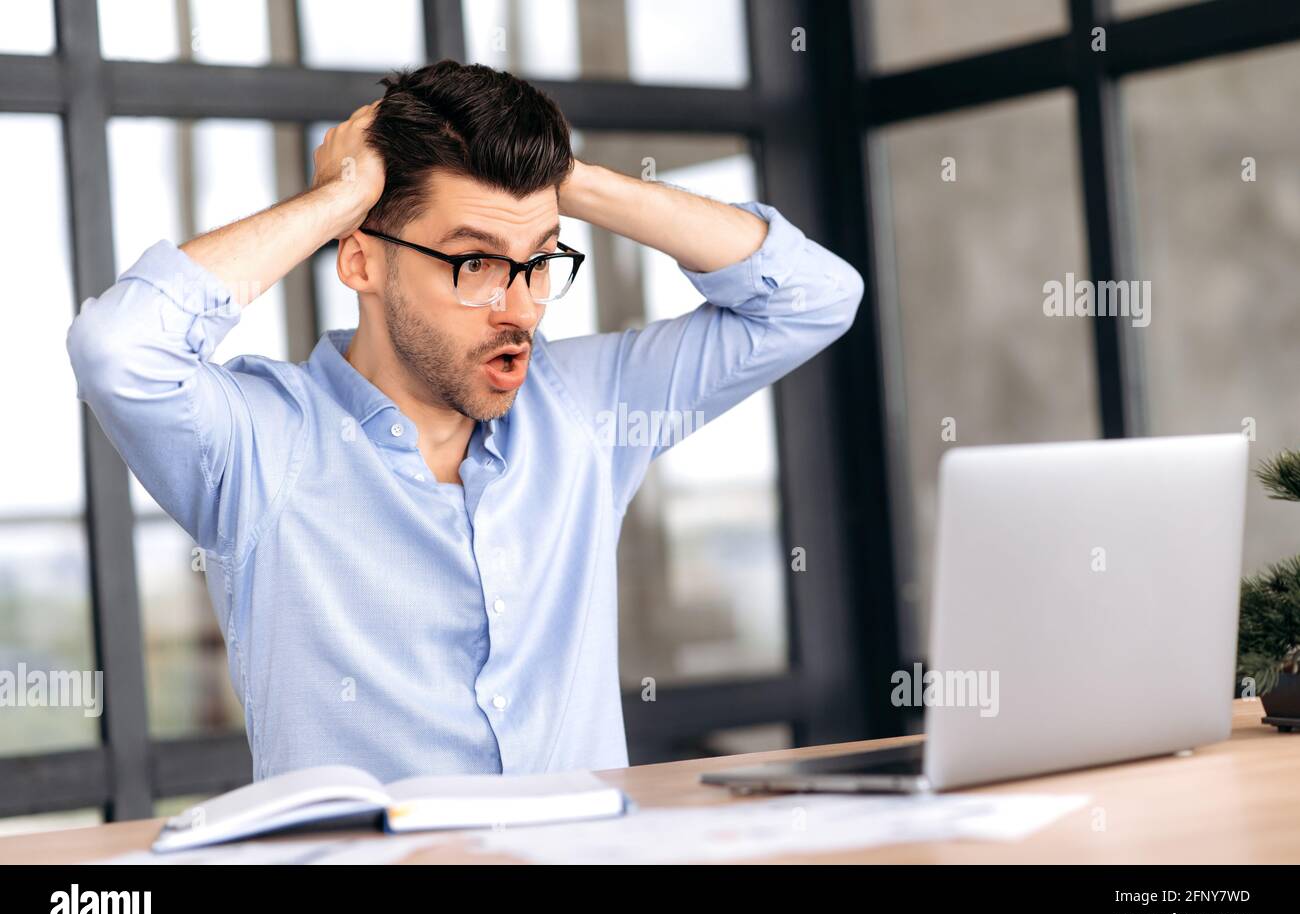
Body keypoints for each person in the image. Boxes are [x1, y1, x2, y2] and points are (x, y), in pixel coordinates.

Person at [67, 59, 864, 783]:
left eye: (541, 261)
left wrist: (569, 182)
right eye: (475, 262)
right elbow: (118, 349)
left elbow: (814, 298)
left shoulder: (584, 411)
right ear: (360, 261)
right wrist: (339, 197)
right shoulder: (261, 445)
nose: (519, 309)